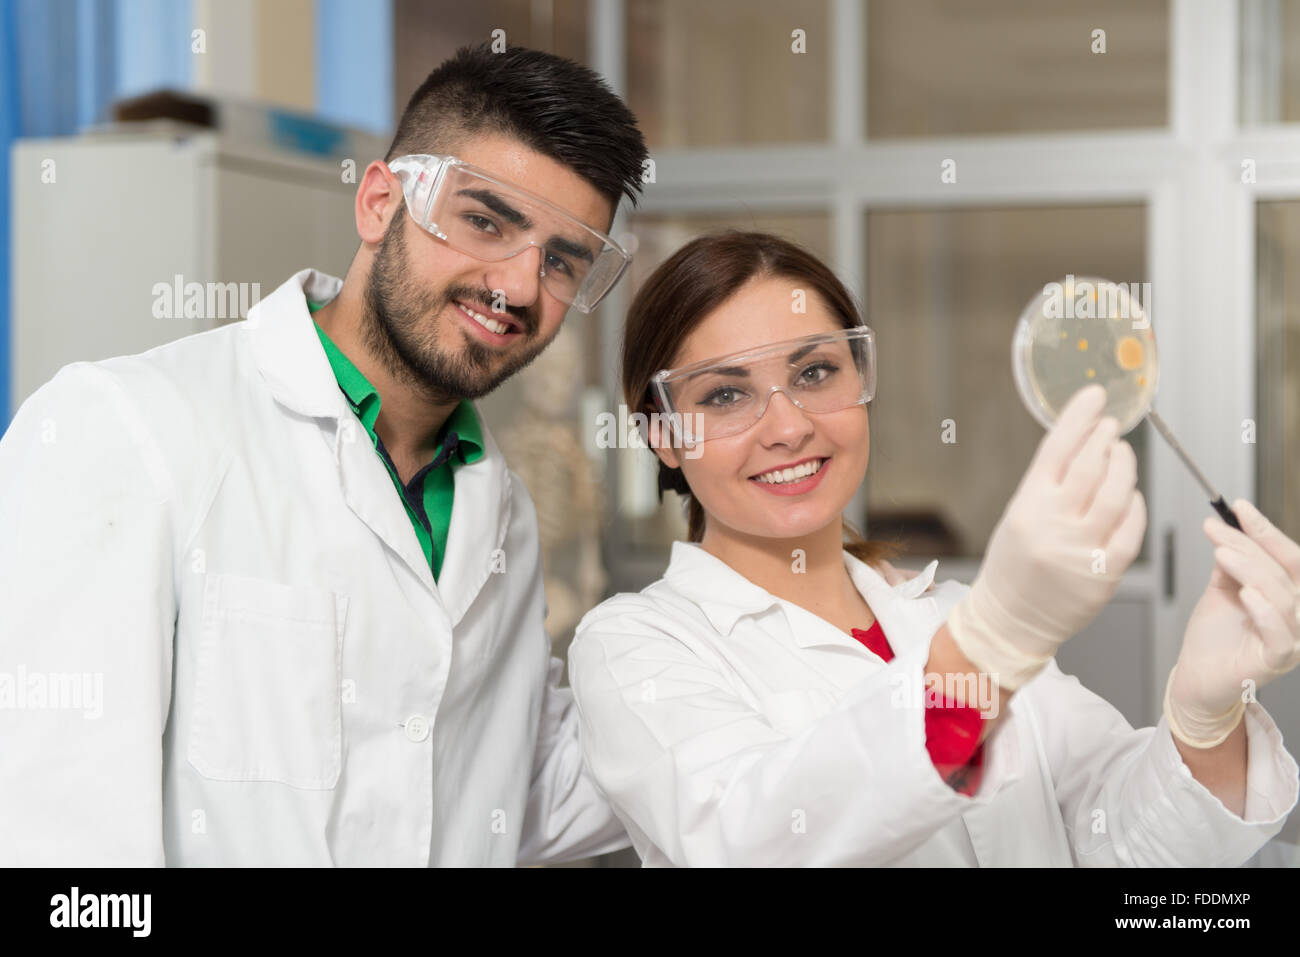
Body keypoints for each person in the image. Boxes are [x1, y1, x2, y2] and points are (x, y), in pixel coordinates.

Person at [0, 44, 647, 866]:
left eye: (563, 260)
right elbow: (54, 846)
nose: (519, 287)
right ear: (380, 202)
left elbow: (500, 789)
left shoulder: (500, 509)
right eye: (486, 220)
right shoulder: (126, 426)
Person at [567, 231, 1300, 866]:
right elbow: (754, 838)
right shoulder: (636, 644)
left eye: (815, 371)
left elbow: (1119, 841)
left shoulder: (947, 616)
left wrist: (1206, 718)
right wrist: (984, 649)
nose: (787, 425)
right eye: (725, 395)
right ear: (662, 435)